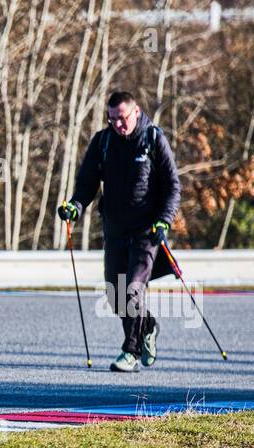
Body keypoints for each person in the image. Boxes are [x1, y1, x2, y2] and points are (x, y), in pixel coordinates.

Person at [58, 91, 181, 373]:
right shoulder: (103, 142)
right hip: (114, 231)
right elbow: (86, 183)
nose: (117, 125)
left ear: (135, 112)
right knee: (116, 296)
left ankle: (131, 352)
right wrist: (75, 206)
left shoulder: (153, 140)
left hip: (146, 232)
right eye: (111, 119)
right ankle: (148, 327)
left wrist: (164, 220)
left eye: (122, 119)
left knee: (133, 290)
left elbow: (172, 186)